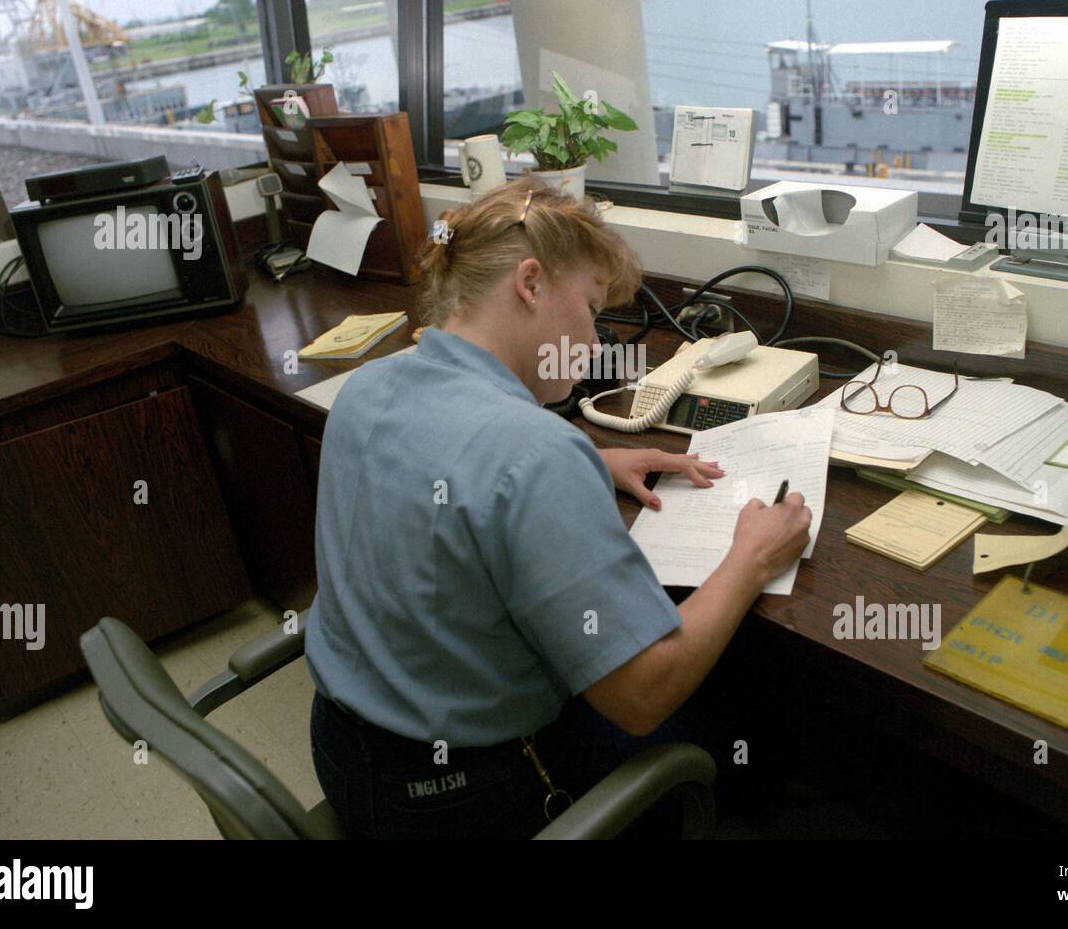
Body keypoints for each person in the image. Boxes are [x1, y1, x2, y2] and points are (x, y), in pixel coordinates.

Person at [305, 178, 812, 839]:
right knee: (746, 701)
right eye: (592, 307)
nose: (598, 343)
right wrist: (751, 558)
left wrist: (592, 463)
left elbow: (441, 473)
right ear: (531, 282)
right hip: (464, 799)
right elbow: (641, 696)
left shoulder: (370, 383)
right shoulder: (536, 454)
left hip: (347, 753)